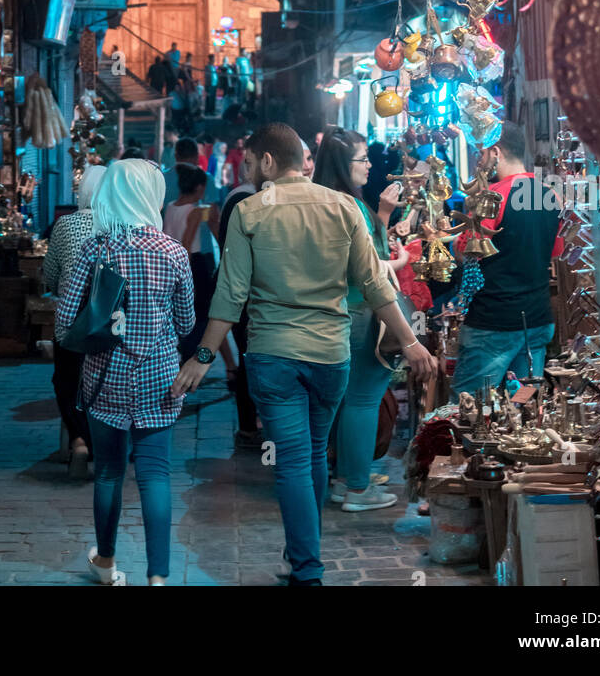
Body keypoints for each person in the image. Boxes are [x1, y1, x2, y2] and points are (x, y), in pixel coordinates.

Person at [173, 123, 437, 587]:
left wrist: (203, 356)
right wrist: (410, 341)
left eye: (251, 164)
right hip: (331, 355)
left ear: (270, 162)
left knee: (295, 460)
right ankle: (303, 555)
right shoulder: (342, 207)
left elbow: (230, 295)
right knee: (312, 455)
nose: (249, 172)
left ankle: (307, 569)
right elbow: (375, 284)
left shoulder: (251, 211)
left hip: (274, 354)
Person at [56, 160, 195, 587]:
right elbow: (187, 323)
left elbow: (64, 324)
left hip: (104, 378)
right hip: (159, 379)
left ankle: (107, 563)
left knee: (110, 473)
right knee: (155, 474)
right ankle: (158, 576)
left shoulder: (95, 249)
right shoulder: (173, 252)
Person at [313, 128, 411, 512]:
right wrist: (398, 262)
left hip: (337, 312)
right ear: (343, 164)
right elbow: (369, 268)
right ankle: (357, 488)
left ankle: (343, 482)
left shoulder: (321, 201)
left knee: (346, 401)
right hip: (361, 312)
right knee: (363, 400)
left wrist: (383, 217)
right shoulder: (350, 206)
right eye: (362, 158)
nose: (370, 165)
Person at [449, 122, 561, 401]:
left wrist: (451, 242)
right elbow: (555, 252)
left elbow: (466, 253)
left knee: (470, 410)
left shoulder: (492, 196)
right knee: (522, 407)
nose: (478, 159)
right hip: (535, 322)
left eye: (481, 152)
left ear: (495, 152)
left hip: (494, 325)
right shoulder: (550, 194)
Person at [43, 162, 107, 478]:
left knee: (66, 381)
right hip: (109, 324)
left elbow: (51, 277)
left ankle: (79, 441)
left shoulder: (65, 225)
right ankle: (105, 443)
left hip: (70, 323)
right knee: (103, 384)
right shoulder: (120, 225)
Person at [218, 137, 261, 447]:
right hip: (247, 297)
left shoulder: (244, 196)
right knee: (251, 360)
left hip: (247, 295)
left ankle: (252, 423)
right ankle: (249, 425)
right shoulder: (244, 199)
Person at [163, 166, 221, 361]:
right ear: (198, 188)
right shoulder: (195, 211)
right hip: (192, 264)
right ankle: (191, 356)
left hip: (169, 262)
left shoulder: (170, 206)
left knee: (181, 311)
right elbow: (187, 243)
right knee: (202, 314)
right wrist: (187, 279)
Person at [163, 136, 222, 207]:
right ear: (197, 157)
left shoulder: (163, 177)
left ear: (176, 156)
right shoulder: (206, 178)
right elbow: (213, 210)